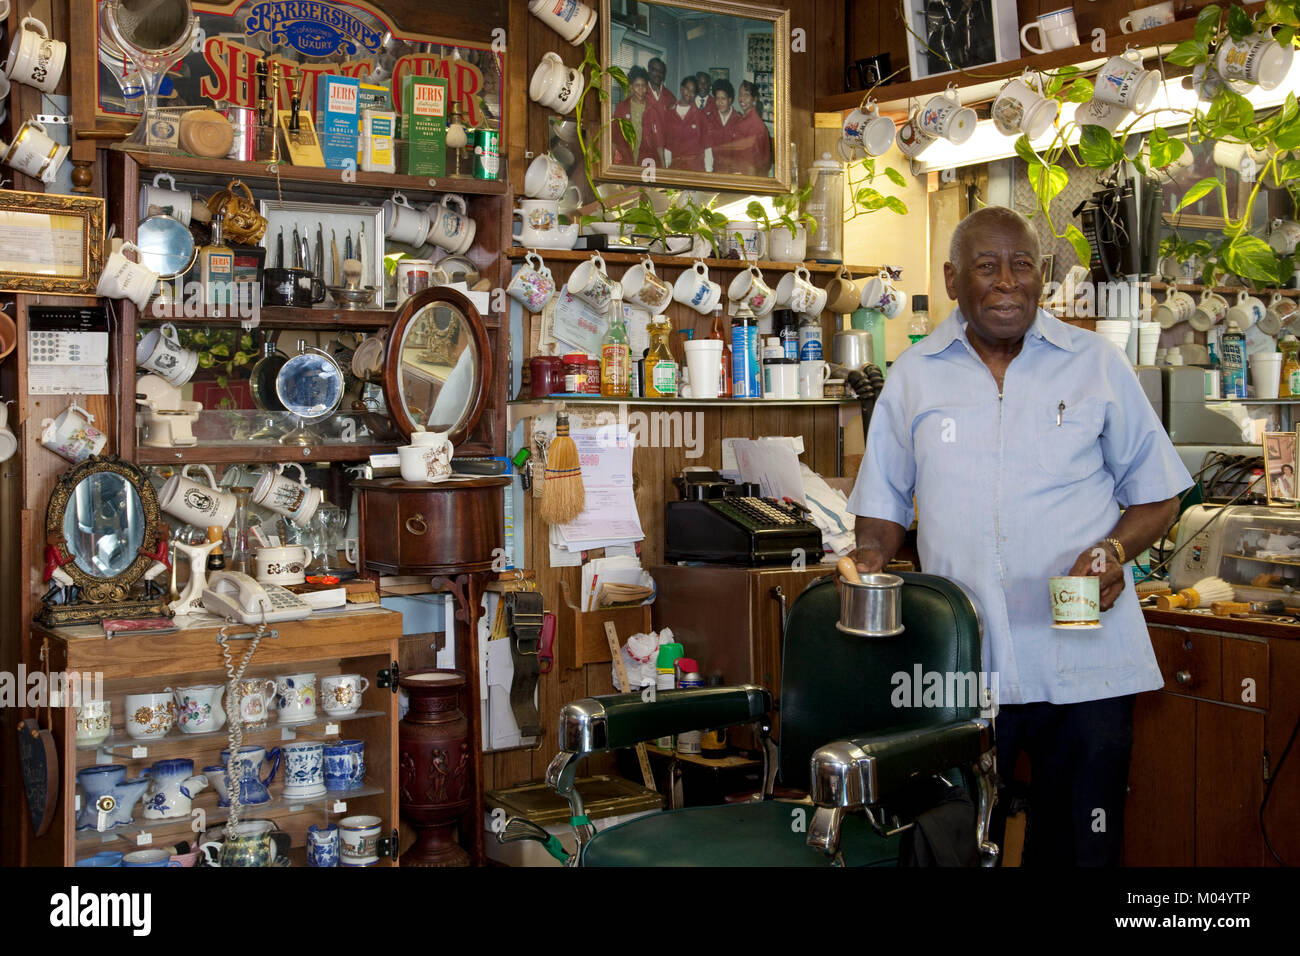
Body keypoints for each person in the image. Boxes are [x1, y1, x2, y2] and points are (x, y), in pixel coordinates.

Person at [846, 206, 1192, 867]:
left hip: (1083, 650)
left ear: (1045, 276)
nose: (1007, 281)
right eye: (986, 266)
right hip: (965, 665)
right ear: (952, 280)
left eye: (1023, 264)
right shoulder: (916, 374)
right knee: (962, 843)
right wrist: (869, 553)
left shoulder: (1095, 364)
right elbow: (884, 502)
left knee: (1083, 848)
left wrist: (1114, 550)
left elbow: (1159, 492)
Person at [612, 65, 665, 168]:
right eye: (637, 85)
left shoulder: (653, 110)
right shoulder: (621, 108)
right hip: (626, 160)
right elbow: (614, 137)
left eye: (644, 85)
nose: (641, 89)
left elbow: (659, 142)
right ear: (631, 87)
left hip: (647, 162)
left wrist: (663, 168)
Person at [662, 75, 709, 171]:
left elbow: (707, 147)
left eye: (693, 91)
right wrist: (667, 167)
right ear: (681, 89)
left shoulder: (701, 116)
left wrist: (708, 171)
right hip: (675, 167)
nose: (689, 93)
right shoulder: (670, 113)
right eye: (687, 89)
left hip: (695, 168)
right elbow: (667, 147)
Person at [706, 79, 747, 175]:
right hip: (714, 170)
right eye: (717, 98)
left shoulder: (739, 120)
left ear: (730, 99)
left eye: (723, 99)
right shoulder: (709, 119)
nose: (720, 102)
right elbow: (707, 149)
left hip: (733, 172)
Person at [735, 80, 772, 177]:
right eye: (740, 94)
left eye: (746, 95)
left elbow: (751, 165)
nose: (741, 99)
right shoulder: (744, 119)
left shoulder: (754, 125)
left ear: (754, 99)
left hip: (750, 179)